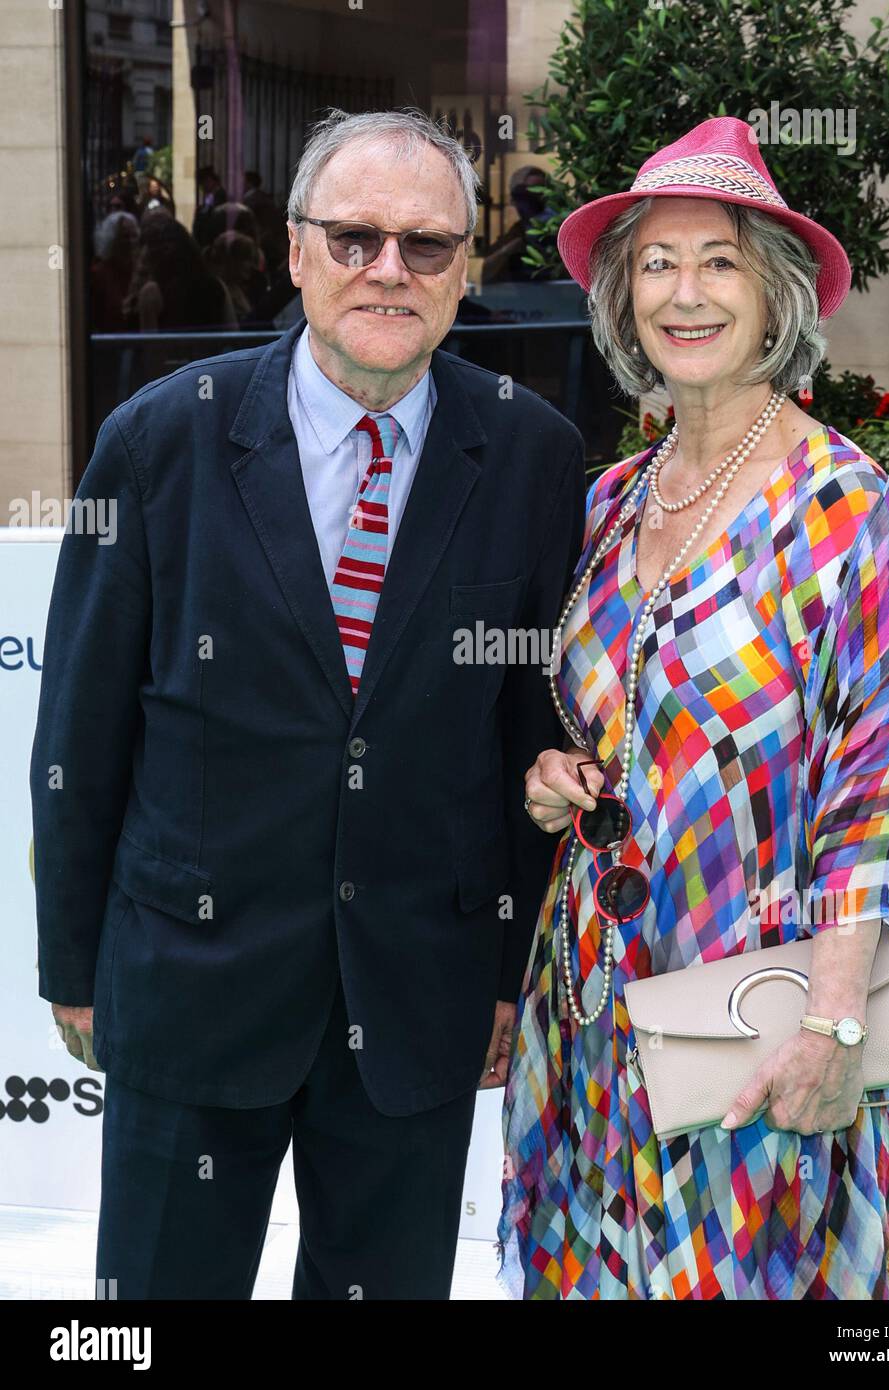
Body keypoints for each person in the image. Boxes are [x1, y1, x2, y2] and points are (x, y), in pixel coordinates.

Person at [30, 107, 586, 1300]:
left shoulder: (531, 451)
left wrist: (505, 973)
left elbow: (528, 735)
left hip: (417, 995)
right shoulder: (157, 440)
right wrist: (75, 963)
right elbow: (79, 728)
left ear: (462, 268)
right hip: (192, 985)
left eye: (426, 245)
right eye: (354, 238)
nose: (389, 269)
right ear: (295, 252)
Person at [497, 116, 889, 1301]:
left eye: (718, 262)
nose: (683, 293)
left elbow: (870, 792)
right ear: (621, 295)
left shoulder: (848, 508)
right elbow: (603, 708)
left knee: (743, 1273)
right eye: (656, 263)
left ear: (777, 294)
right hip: (596, 995)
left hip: (764, 1006)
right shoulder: (606, 500)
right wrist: (559, 773)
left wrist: (837, 1028)